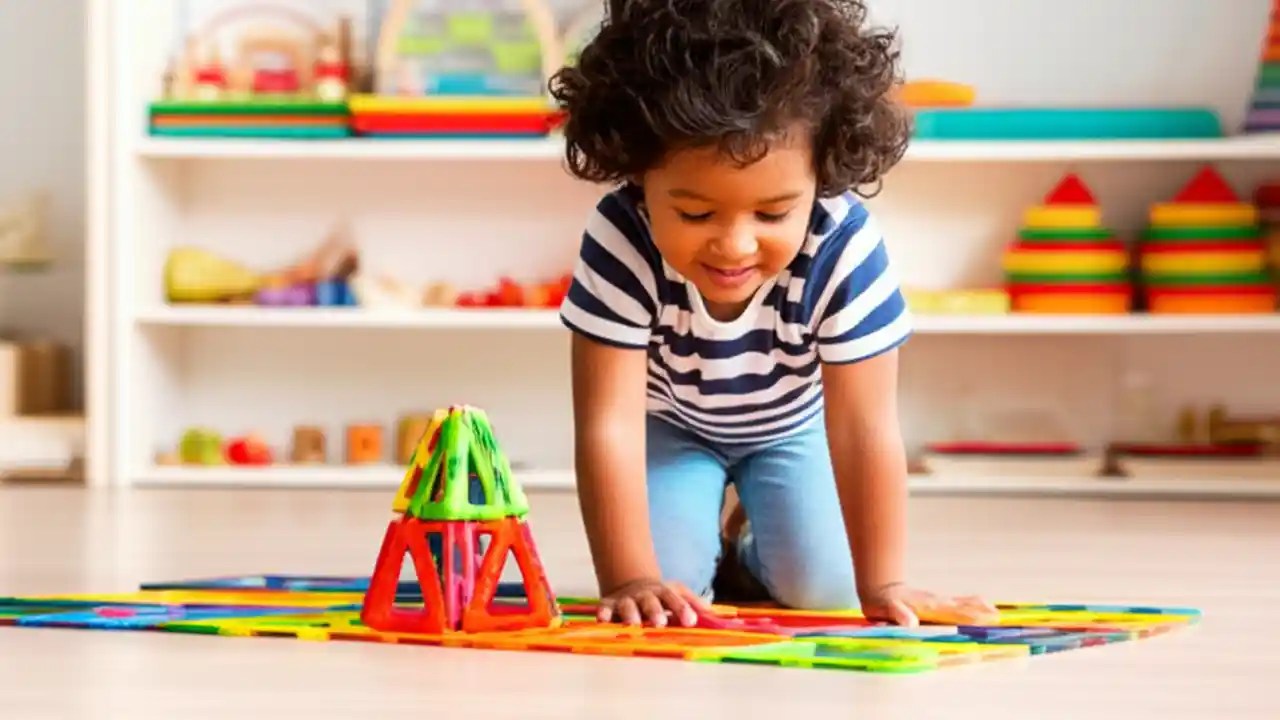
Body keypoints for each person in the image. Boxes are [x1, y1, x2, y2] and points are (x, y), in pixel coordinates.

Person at [549, 0, 997, 628]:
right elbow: (609, 427)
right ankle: (709, 527)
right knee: (668, 589)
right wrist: (629, 577)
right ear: (639, 174)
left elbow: (864, 426)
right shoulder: (622, 235)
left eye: (772, 213)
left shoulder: (844, 245)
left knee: (827, 588)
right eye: (696, 214)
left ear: (821, 177)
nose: (734, 245)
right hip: (672, 430)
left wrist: (886, 581)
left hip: (793, 430)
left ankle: (748, 541)